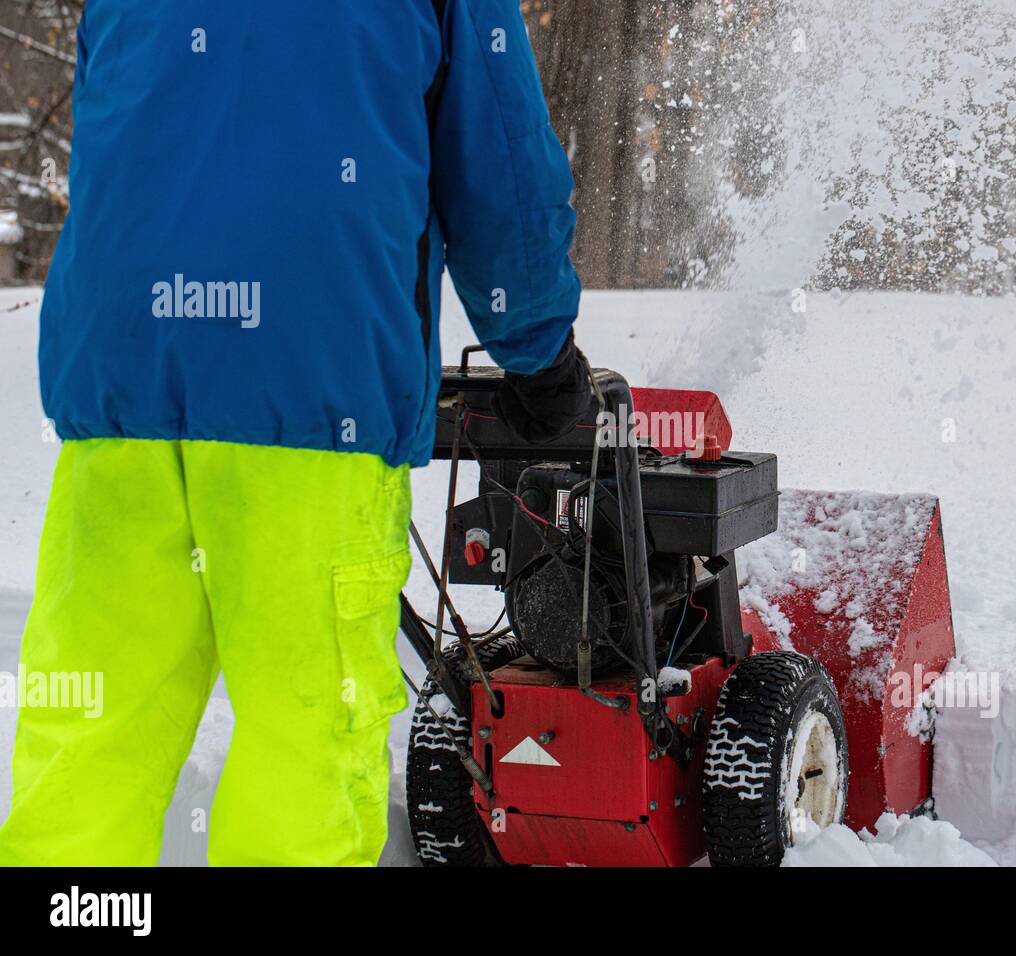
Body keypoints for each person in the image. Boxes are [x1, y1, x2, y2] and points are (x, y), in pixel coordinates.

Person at [0, 0, 590, 866]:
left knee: (92, 729)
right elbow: (498, 154)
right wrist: (538, 350)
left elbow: (124, 130)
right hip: (310, 389)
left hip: (118, 389)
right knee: (304, 735)